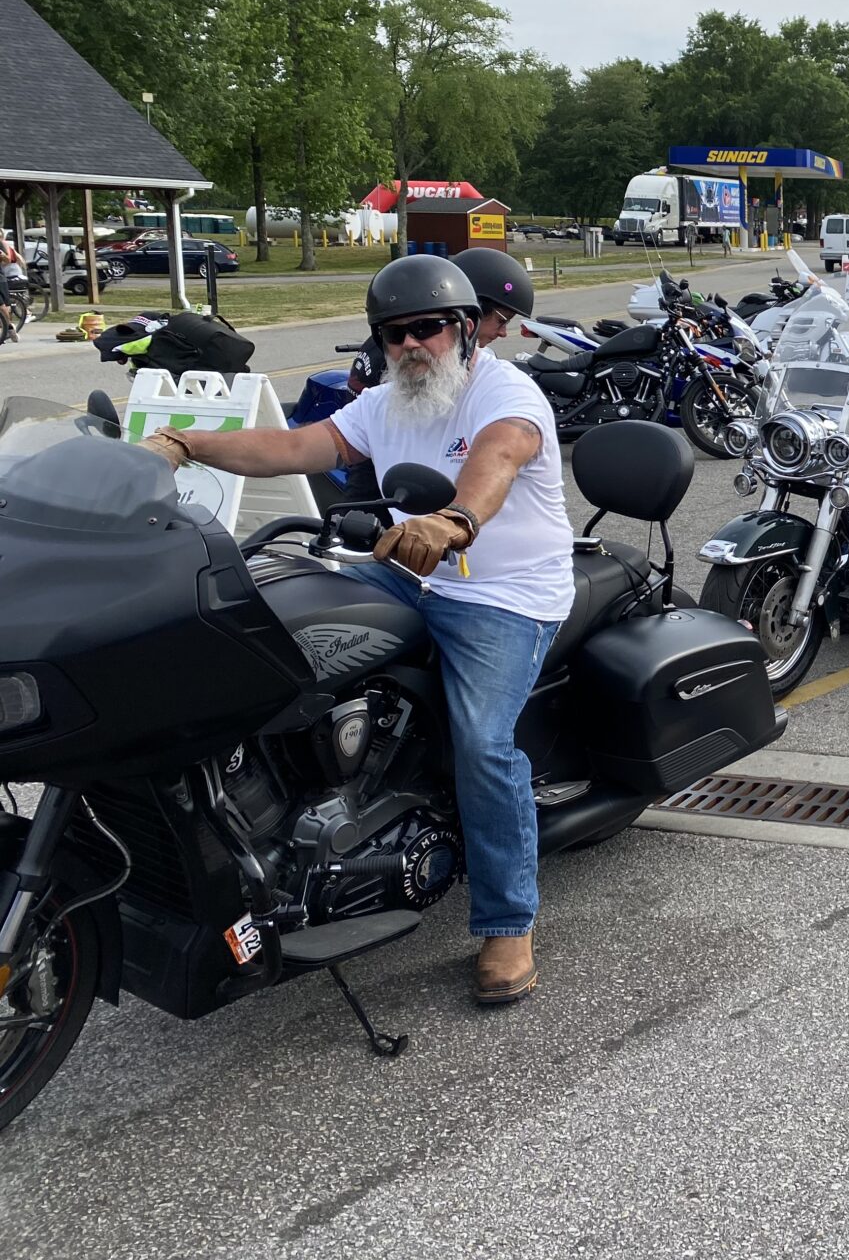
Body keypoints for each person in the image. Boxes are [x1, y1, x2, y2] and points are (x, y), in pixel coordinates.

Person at [136, 255, 573, 1007]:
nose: (412, 345)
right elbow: (298, 447)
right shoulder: (386, 401)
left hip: (503, 594)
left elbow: (501, 457)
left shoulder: (505, 393)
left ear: (466, 329)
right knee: (267, 619)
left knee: (483, 743)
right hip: (407, 570)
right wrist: (186, 445)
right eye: (395, 332)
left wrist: (455, 518)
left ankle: (508, 923)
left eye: (428, 329)